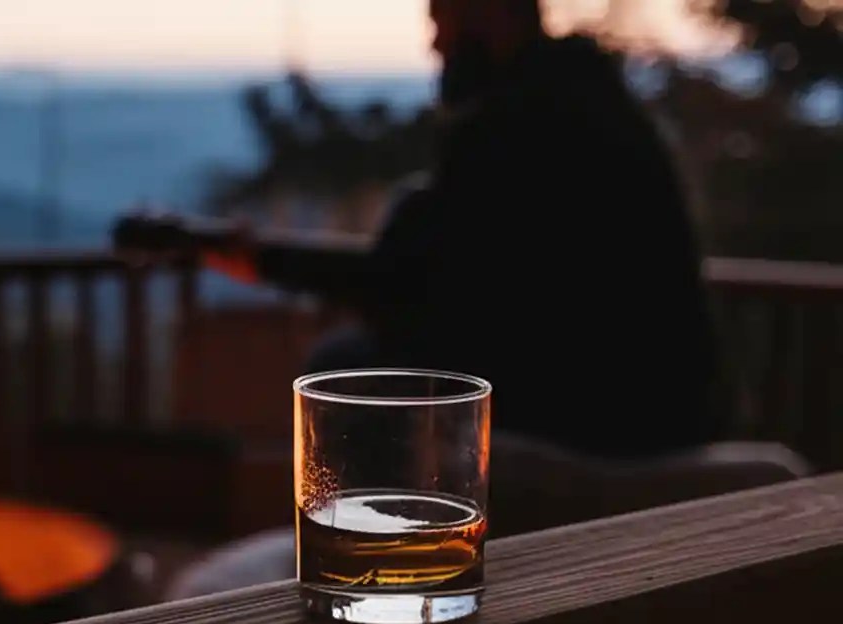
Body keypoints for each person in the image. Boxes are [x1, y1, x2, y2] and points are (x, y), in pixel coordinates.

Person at [198, 0, 725, 459]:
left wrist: (262, 261)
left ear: (494, 12)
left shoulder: (517, 126)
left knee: (343, 372)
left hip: (598, 423)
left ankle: (370, 547)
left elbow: (407, 280)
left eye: (441, 20)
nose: (434, 45)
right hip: (670, 414)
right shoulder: (592, 106)